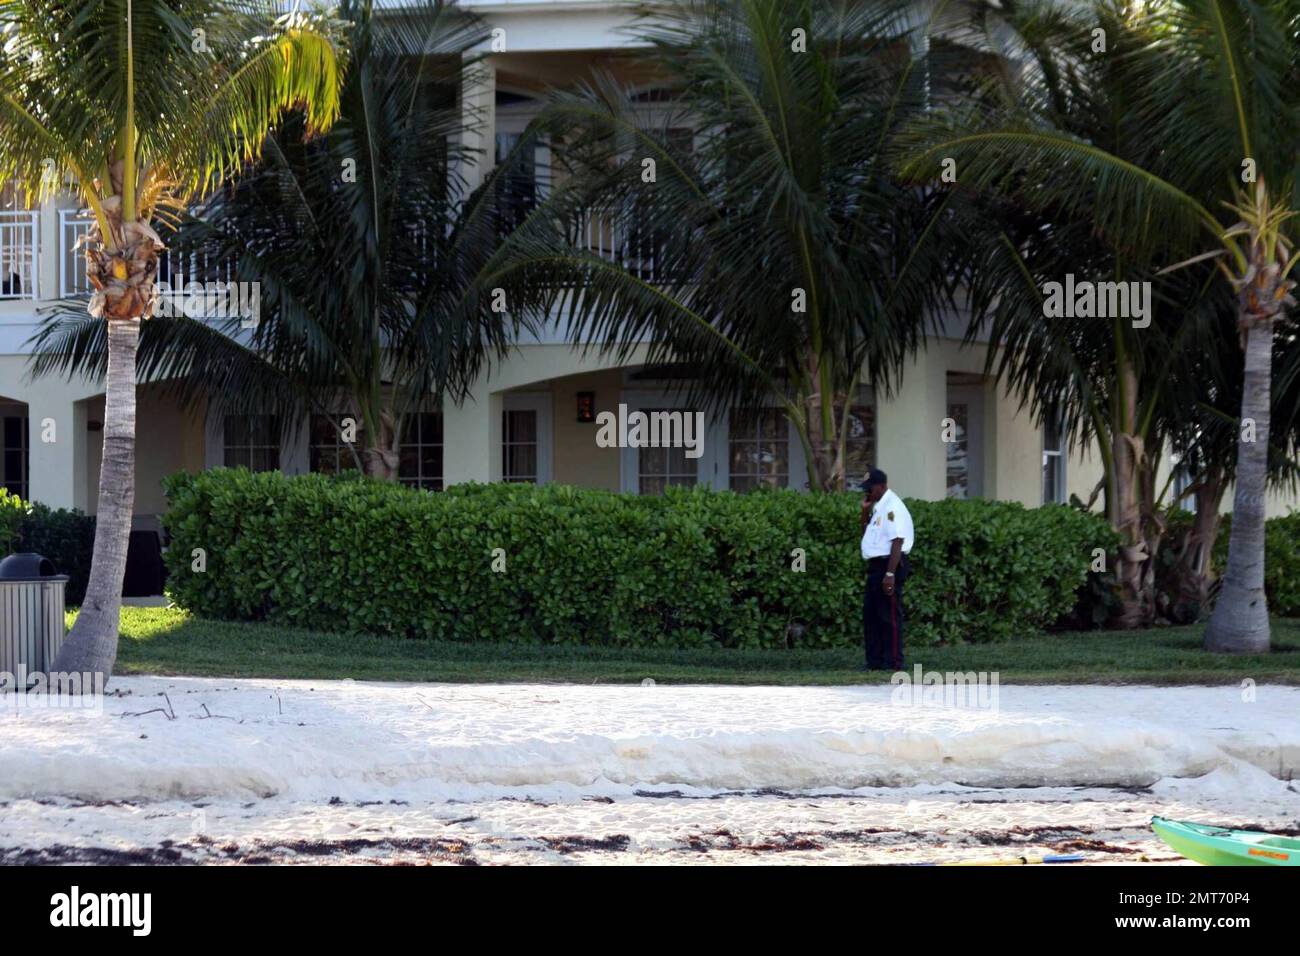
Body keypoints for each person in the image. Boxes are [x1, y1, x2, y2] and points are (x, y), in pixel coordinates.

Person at [859, 468, 913, 671]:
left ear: (882, 486)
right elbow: (869, 536)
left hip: (889, 564)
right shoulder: (879, 507)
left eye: (870, 488)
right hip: (876, 566)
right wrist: (865, 512)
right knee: (872, 615)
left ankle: (894, 662)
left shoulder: (892, 507)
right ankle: (874, 661)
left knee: (888, 616)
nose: (867, 492)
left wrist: (890, 574)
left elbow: (897, 541)